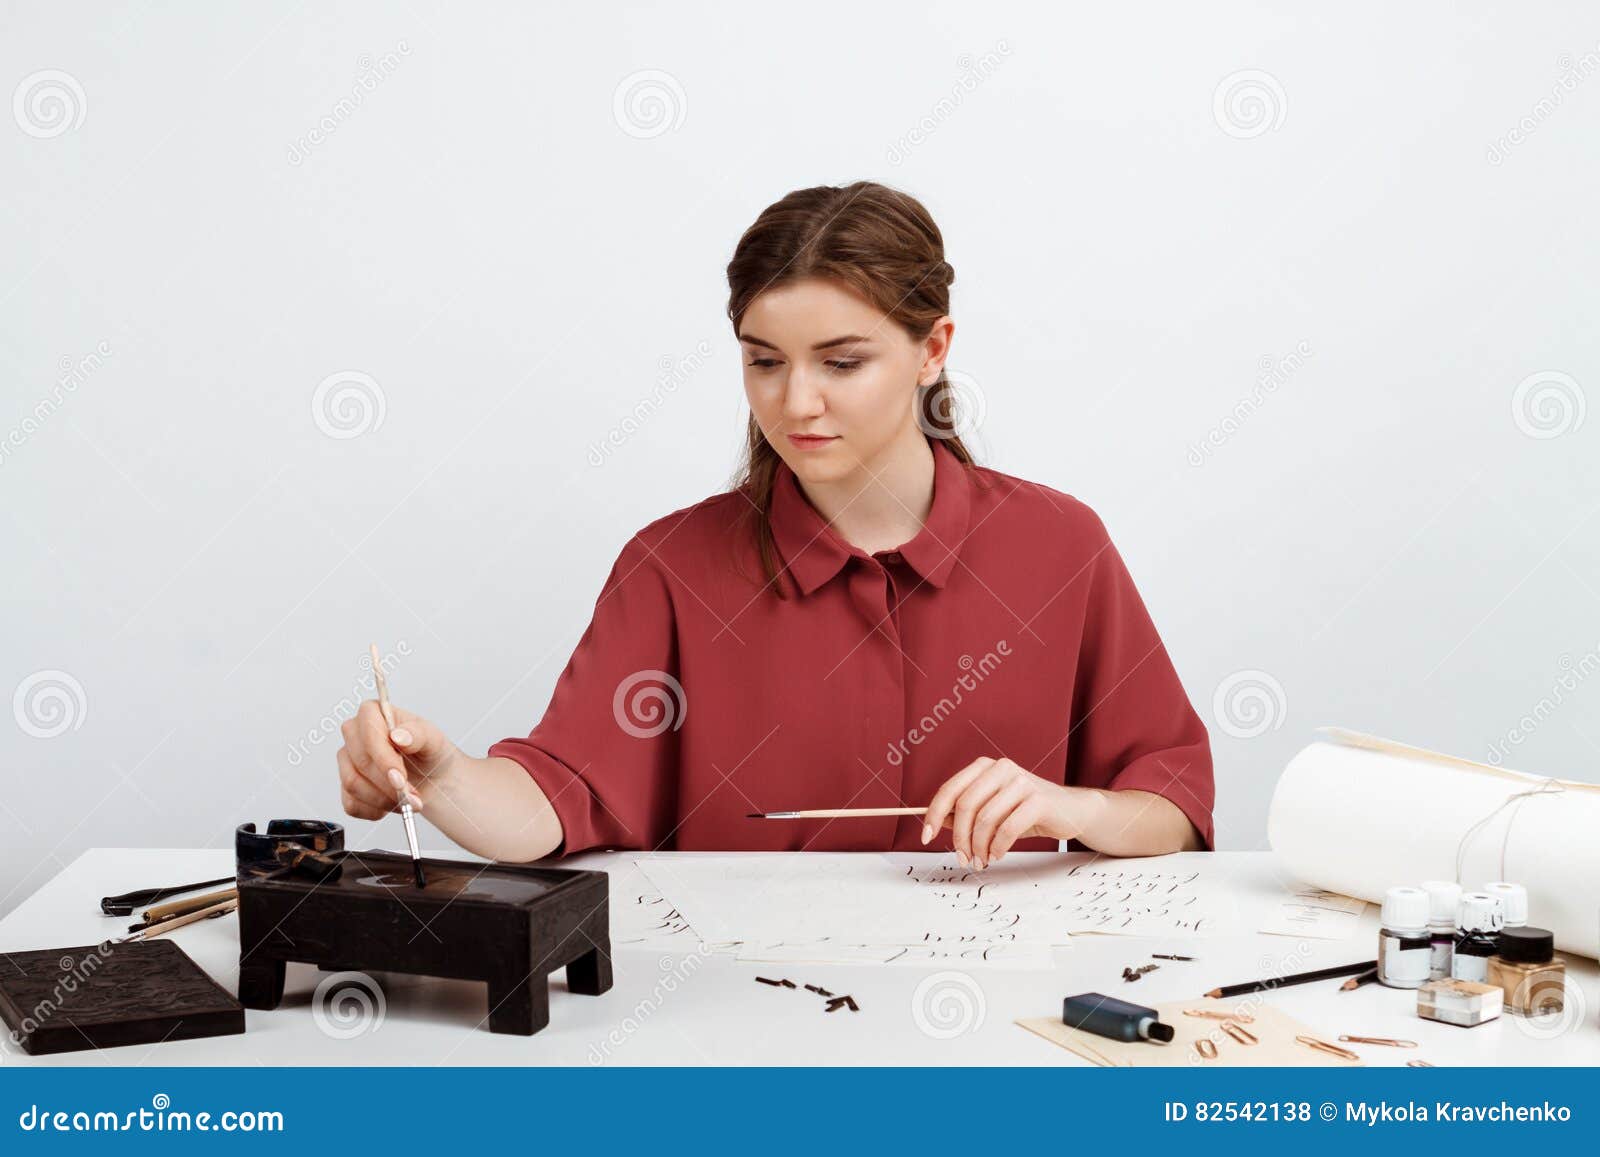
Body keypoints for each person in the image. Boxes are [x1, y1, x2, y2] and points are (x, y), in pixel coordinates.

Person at [336, 181, 1214, 870]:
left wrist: (1076, 808)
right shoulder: (672, 565)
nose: (795, 403)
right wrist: (442, 775)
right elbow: (557, 799)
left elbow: (1173, 805)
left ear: (933, 349)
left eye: (842, 361)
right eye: (763, 362)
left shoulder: (1060, 546)